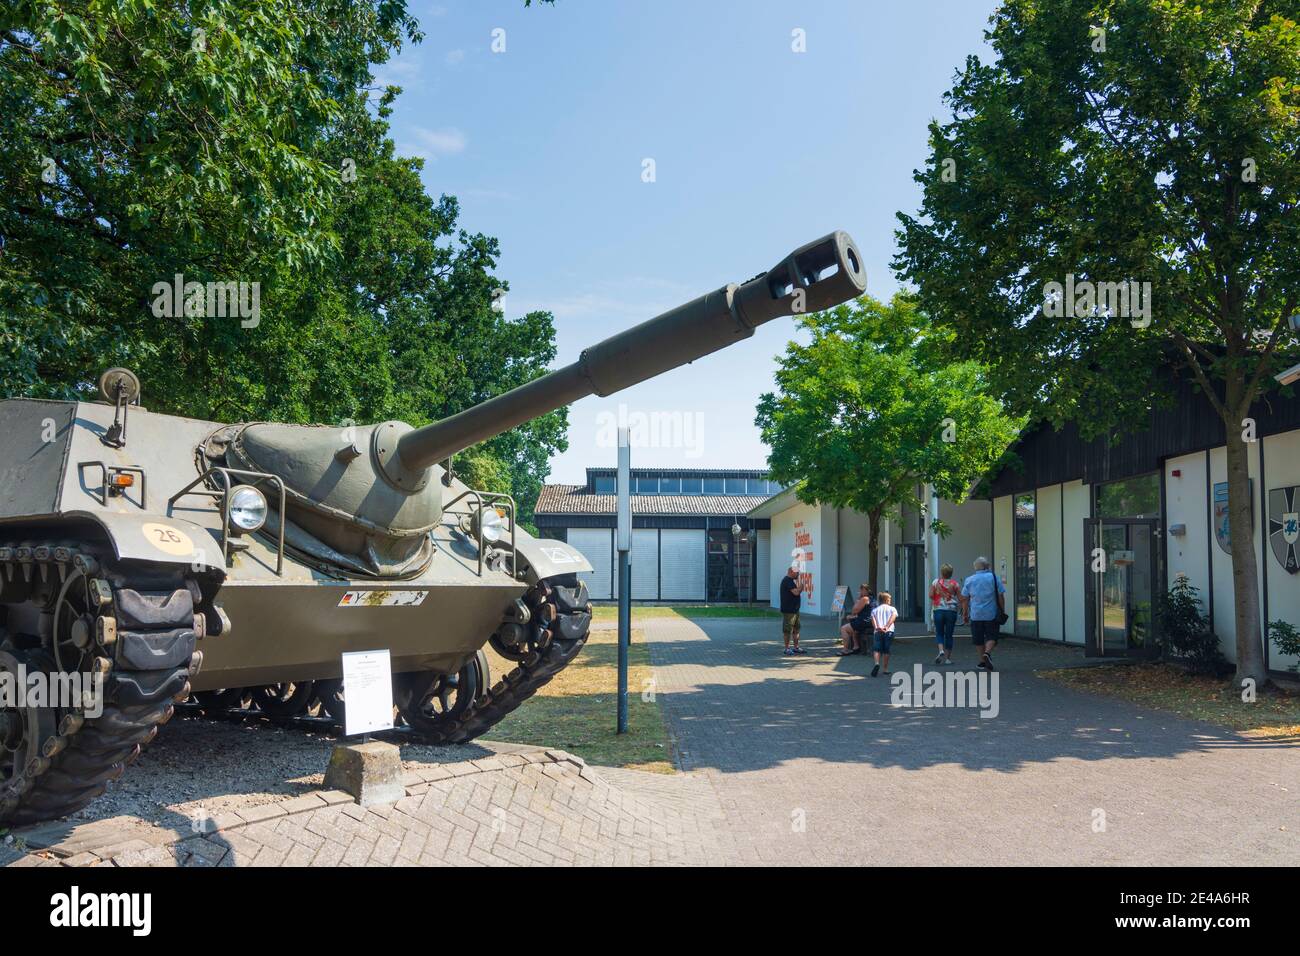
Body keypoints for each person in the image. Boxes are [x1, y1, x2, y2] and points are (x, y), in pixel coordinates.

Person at [960, 556, 1005, 671]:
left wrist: (965, 613)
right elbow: (1000, 596)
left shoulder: (969, 580)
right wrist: (1002, 609)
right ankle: (987, 653)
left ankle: (982, 660)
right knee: (992, 636)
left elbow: (965, 598)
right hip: (991, 613)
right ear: (987, 566)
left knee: (978, 638)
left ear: (975, 568)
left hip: (976, 614)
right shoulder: (994, 578)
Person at [929, 563, 961, 665]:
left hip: (938, 609)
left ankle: (941, 650)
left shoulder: (935, 582)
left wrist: (937, 596)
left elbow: (930, 595)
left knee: (939, 632)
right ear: (951, 573)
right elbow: (960, 598)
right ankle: (948, 659)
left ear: (941, 572)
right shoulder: (955, 584)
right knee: (949, 634)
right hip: (951, 611)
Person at [779, 563, 807, 656]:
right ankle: (786, 648)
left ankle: (796, 647)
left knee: (796, 629)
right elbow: (796, 593)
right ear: (791, 572)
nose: (798, 575)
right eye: (797, 573)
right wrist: (801, 587)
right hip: (789, 611)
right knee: (788, 630)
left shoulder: (791, 581)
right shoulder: (787, 581)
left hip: (795, 610)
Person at [838, 584, 874, 656]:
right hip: (869, 620)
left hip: (864, 621)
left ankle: (845, 649)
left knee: (843, 629)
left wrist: (858, 600)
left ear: (867, 591)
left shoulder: (864, 599)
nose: (860, 591)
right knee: (853, 626)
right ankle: (856, 646)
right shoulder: (871, 598)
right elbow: (864, 612)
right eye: (860, 590)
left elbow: (854, 611)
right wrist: (853, 617)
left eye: (862, 590)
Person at [869, 590, 897, 677]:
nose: (890, 600)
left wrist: (877, 627)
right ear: (886, 600)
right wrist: (886, 626)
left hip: (878, 631)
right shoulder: (892, 609)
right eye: (890, 599)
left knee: (876, 649)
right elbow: (893, 618)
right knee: (886, 650)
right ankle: (885, 669)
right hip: (888, 631)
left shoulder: (875, 610)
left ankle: (877, 663)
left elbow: (872, 619)